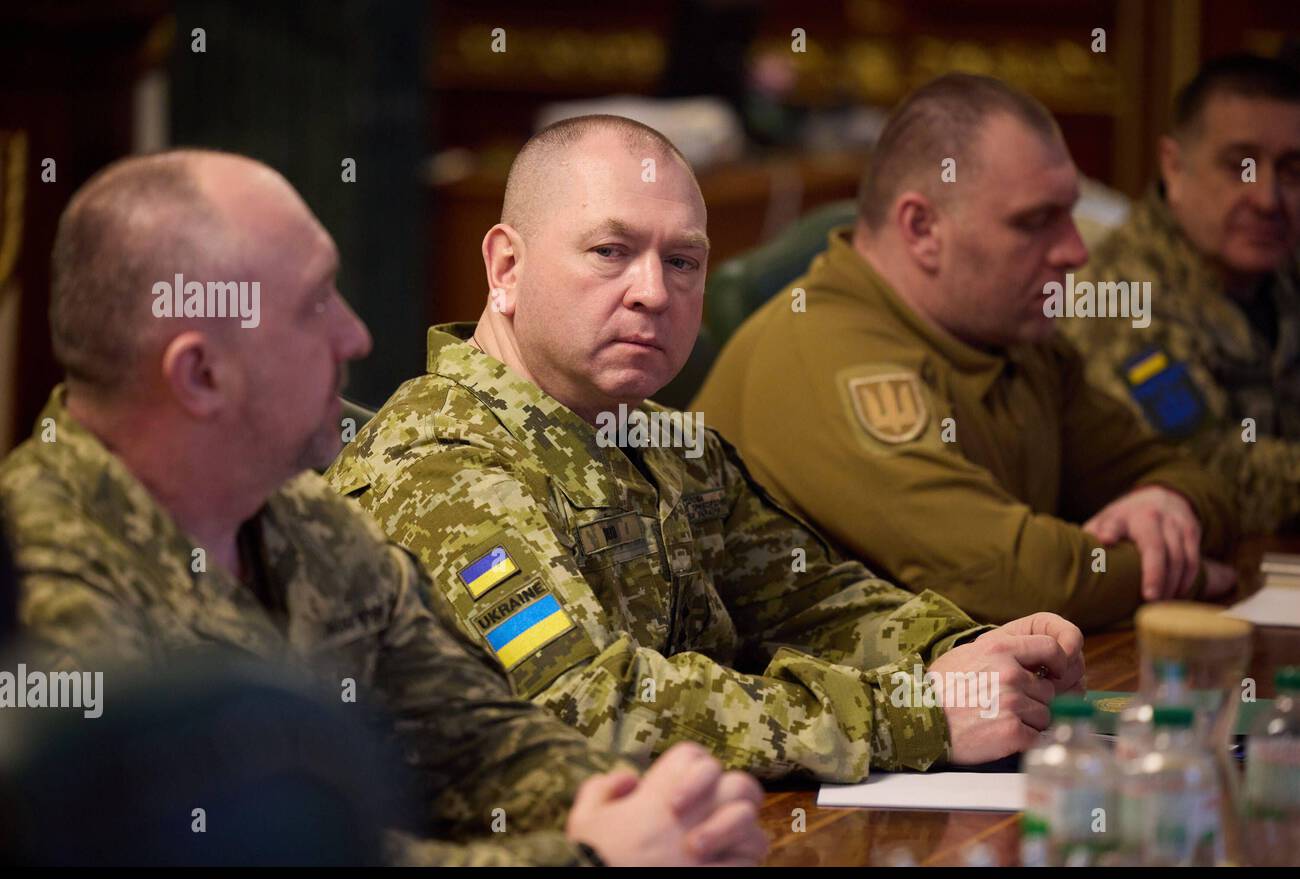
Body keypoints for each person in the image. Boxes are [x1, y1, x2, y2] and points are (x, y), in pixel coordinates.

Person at [0, 149, 767, 867]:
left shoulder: (302, 517)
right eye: (314, 306)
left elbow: (475, 742)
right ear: (201, 375)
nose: (356, 336)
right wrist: (588, 856)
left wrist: (655, 815)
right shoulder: (40, 589)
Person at [327, 114, 1088, 782]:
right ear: (506, 268)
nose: (653, 292)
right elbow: (590, 709)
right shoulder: (440, 463)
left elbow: (814, 605)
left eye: (682, 261)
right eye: (609, 251)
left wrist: (976, 653)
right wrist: (913, 713)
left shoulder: (664, 442)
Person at [693, 75, 1238, 631]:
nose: (1074, 252)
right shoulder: (829, 358)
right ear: (923, 228)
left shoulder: (1012, 342)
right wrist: (1178, 569)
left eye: (1069, 214)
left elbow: (1188, 473)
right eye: (1034, 222)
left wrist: (1168, 503)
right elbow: (1016, 580)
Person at [1062, 53, 1300, 534]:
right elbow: (1199, 471)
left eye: (1293, 171)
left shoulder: (1284, 272)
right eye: (1241, 168)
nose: (1268, 199)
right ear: (1174, 165)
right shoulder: (1118, 294)